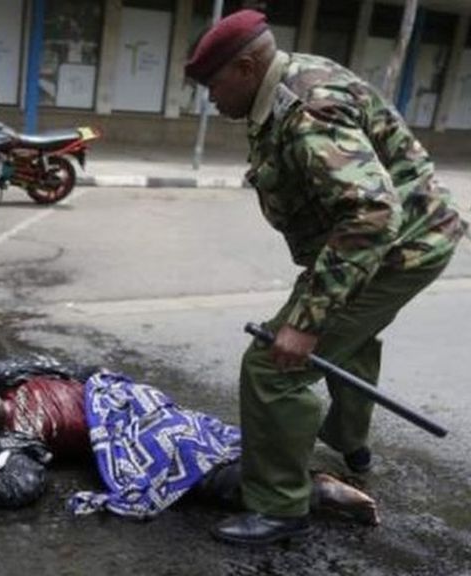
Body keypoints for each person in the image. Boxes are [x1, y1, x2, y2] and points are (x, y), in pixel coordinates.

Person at [183, 9, 465, 545]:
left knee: (275, 365)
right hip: (402, 238)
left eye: (213, 84)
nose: (210, 98)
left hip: (398, 246)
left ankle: (279, 504)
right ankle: (351, 443)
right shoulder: (290, 82)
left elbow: (371, 215)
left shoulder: (308, 109)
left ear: (245, 67)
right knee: (350, 341)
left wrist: (307, 321)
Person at [0, 361, 379, 530]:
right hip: (126, 435)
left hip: (124, 400)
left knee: (201, 435)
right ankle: (314, 489)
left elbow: (77, 369)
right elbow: (23, 482)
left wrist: (109, 386)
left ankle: (298, 476)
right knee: (188, 462)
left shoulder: (6, 379)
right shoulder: (8, 442)